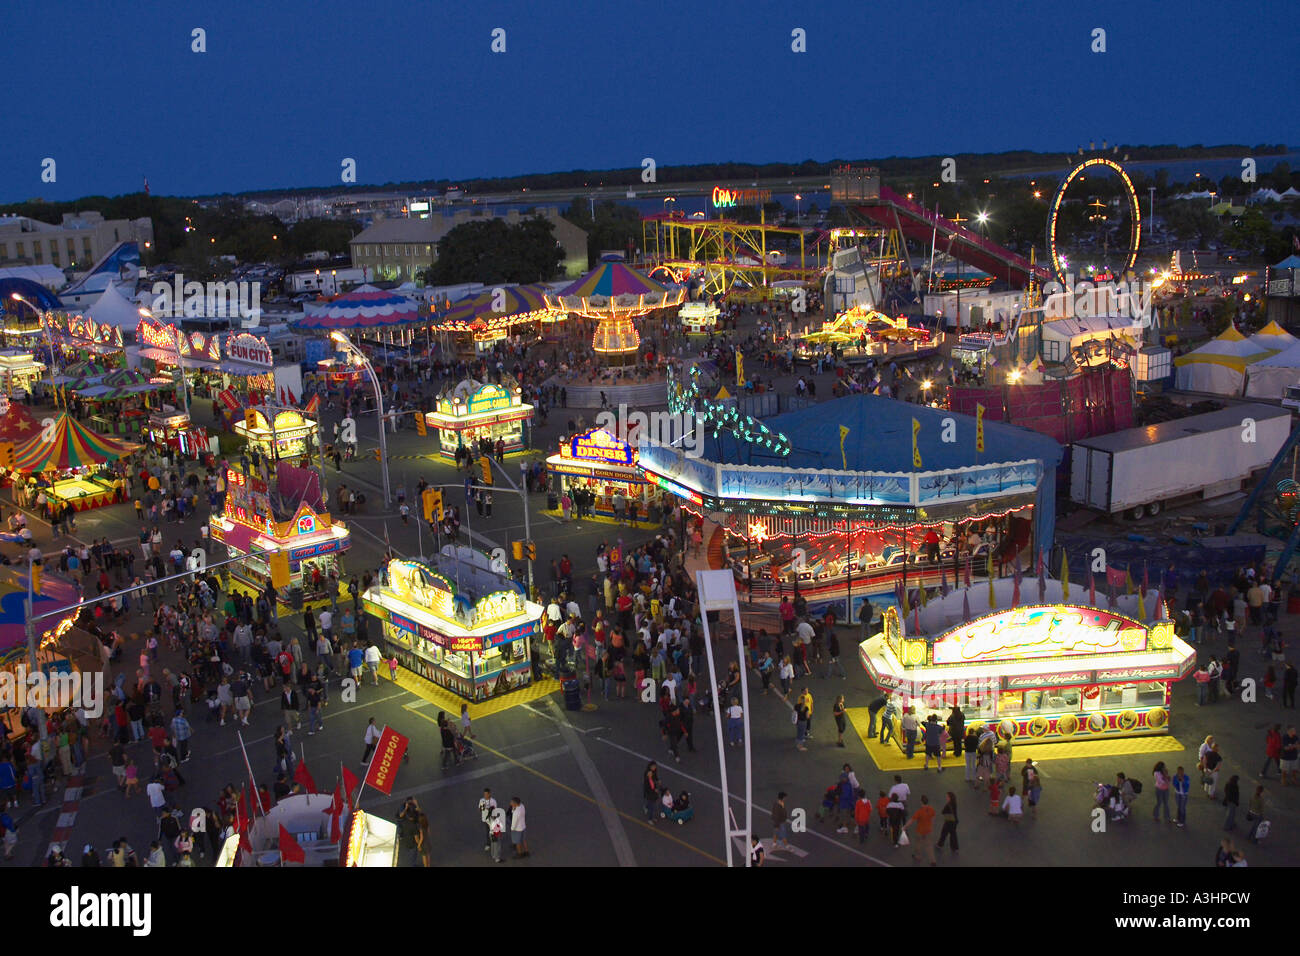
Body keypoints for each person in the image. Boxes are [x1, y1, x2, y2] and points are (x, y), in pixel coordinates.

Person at [904, 793, 937, 865]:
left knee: (918, 844)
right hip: (928, 830)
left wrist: (905, 827)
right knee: (929, 846)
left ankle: (918, 856)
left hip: (920, 831)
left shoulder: (919, 812)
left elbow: (911, 820)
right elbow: (933, 818)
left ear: (921, 802)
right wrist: (931, 826)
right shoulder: (931, 809)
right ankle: (933, 860)